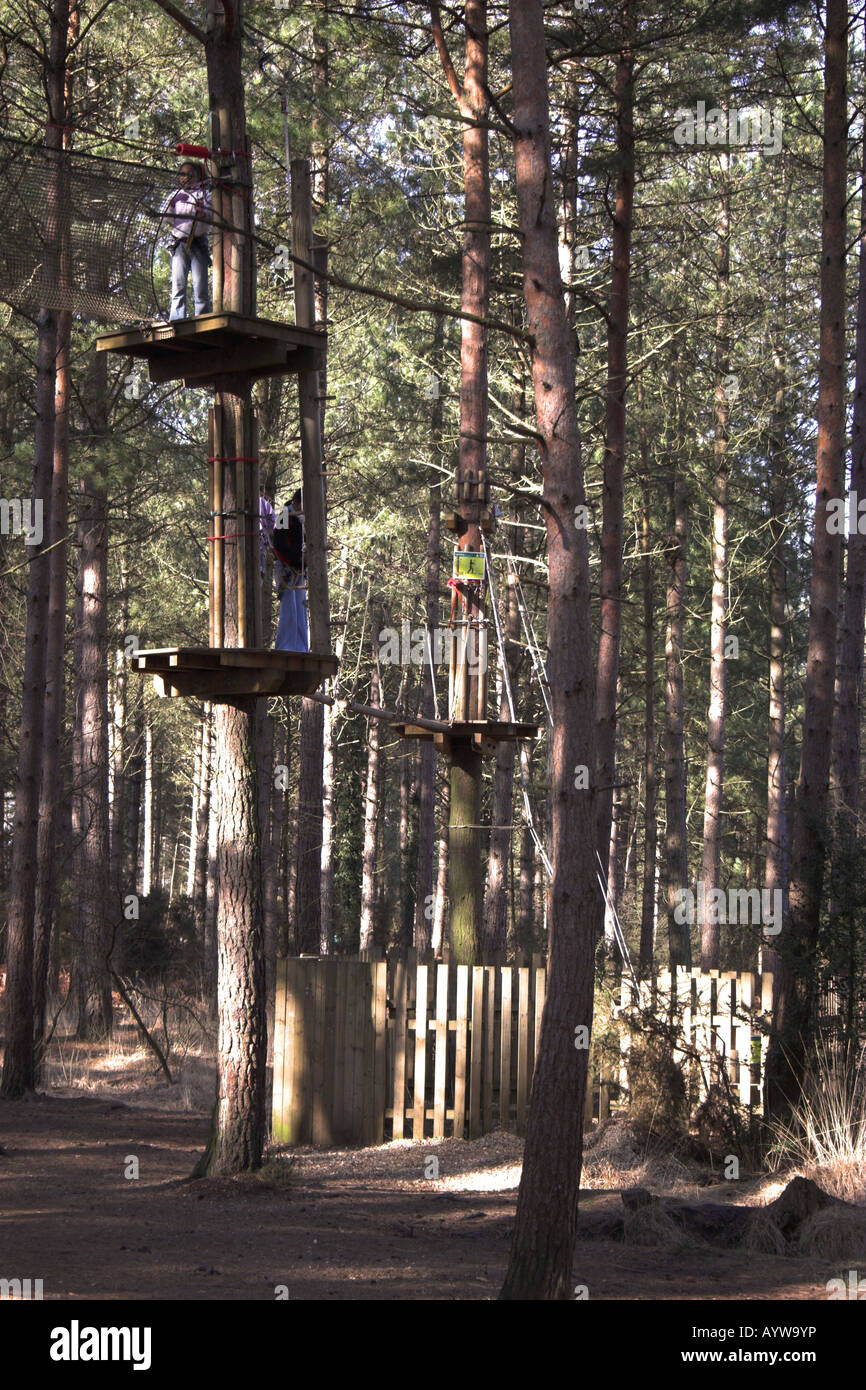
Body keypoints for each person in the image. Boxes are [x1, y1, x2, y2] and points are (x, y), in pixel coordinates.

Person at [161, 162, 212, 322]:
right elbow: (165, 218)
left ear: (198, 176)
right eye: (183, 174)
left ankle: (202, 318)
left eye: (190, 174)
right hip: (180, 243)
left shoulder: (205, 194)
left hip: (198, 243)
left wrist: (203, 212)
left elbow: (212, 215)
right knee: (178, 284)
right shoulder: (175, 195)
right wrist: (170, 205)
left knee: (200, 285)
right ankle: (176, 319)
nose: (186, 178)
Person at [272, 490, 309, 652]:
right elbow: (278, 545)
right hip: (286, 569)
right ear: (295, 501)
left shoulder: (303, 520)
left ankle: (301, 646)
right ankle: (286, 646)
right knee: (289, 608)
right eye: (302, 504)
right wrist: (296, 559)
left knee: (300, 608)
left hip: (299, 569)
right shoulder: (283, 516)